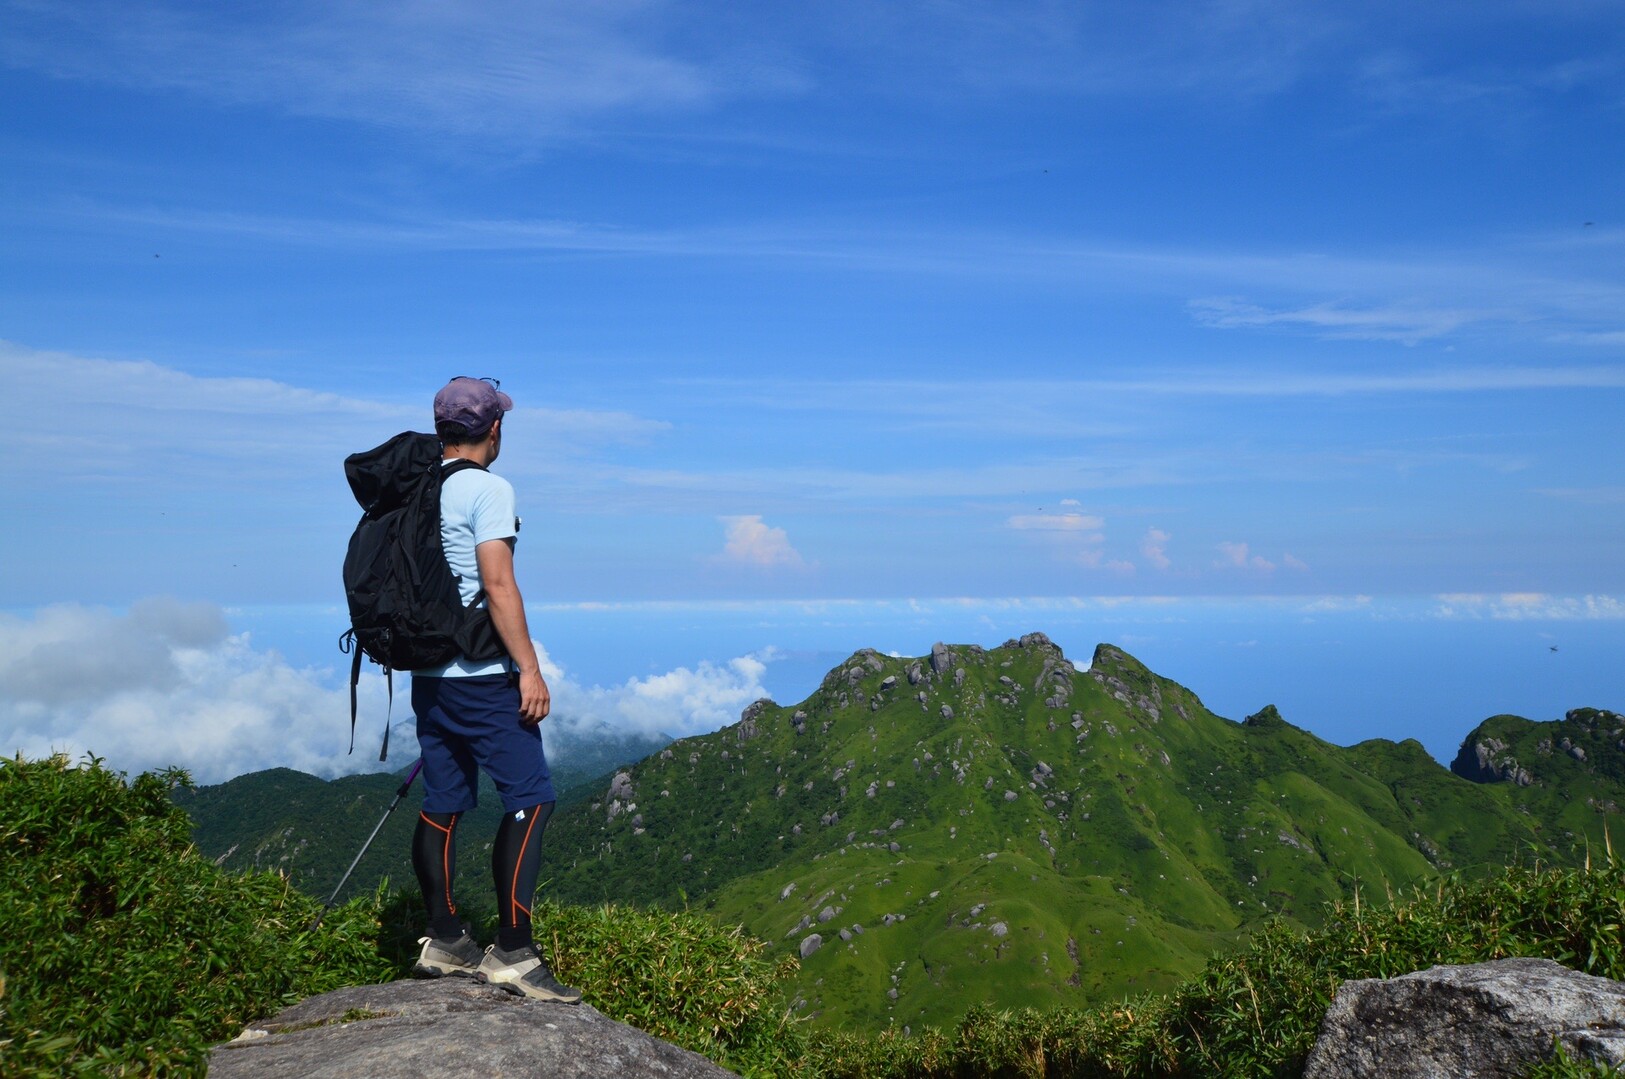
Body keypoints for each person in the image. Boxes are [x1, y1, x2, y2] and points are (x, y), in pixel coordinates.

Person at [407, 376, 580, 1004]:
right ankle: (513, 952)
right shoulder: (488, 489)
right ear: (495, 428)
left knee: (444, 800)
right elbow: (498, 584)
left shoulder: (416, 486)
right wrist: (529, 668)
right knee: (531, 798)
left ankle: (445, 937)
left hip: (428, 675)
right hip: (482, 676)